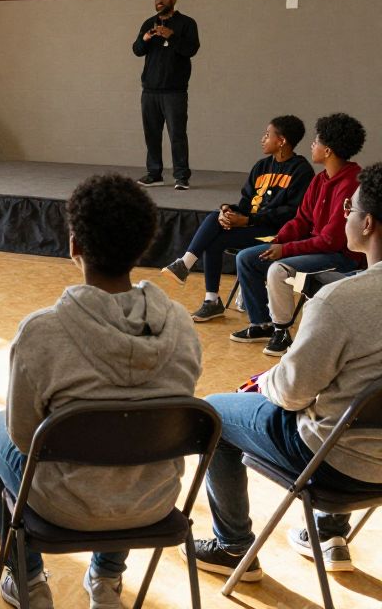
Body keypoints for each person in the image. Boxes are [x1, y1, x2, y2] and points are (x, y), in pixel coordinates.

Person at [0, 173, 202, 609]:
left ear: (73, 244)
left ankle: (27, 579)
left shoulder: (42, 332)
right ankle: (106, 578)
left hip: (64, 507)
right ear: (144, 245)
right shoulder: (181, 325)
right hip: (154, 500)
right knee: (131, 432)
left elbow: (25, 438)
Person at [190, 162, 382, 582]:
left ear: (367, 224)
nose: (345, 214)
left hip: (335, 466)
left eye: (349, 208)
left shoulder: (339, 300)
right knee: (348, 397)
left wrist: (266, 382)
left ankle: (232, 545)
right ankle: (330, 534)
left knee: (214, 414)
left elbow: (292, 394)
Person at [230, 113, 366, 356]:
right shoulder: (320, 180)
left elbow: (331, 241)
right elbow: (301, 220)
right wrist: (278, 241)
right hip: (316, 249)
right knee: (247, 258)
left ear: (328, 151)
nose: (312, 145)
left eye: (317, 142)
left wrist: (286, 250)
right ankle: (261, 323)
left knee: (278, 269)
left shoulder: (351, 183)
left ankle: (281, 332)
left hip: (339, 257)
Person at [162, 115, 314, 321]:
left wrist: (248, 221)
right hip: (252, 226)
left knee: (214, 232)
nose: (262, 139)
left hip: (276, 234)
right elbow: (245, 203)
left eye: (267, 135)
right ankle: (211, 300)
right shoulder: (261, 167)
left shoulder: (301, 170)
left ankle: (186, 266)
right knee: (216, 222)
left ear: (282, 141)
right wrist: (229, 211)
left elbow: (291, 213)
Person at [132, 0, 200, 190]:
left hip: (174, 91)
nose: (159, 1)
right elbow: (136, 50)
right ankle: (154, 174)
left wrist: (171, 35)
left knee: (177, 134)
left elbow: (191, 49)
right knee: (151, 134)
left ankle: (181, 176)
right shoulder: (148, 23)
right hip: (150, 90)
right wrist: (144, 39)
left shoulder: (187, 23)